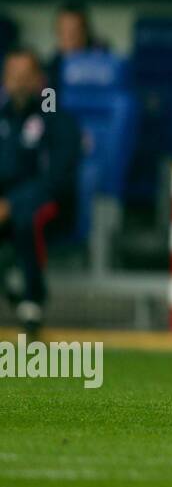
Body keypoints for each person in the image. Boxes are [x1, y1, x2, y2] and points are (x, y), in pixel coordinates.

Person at [0, 49, 81, 336]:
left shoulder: (56, 118)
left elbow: (57, 177)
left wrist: (11, 203)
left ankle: (32, 298)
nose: (19, 82)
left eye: (26, 76)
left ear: (39, 79)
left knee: (26, 217)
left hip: (51, 205)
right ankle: (9, 279)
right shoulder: (3, 117)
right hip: (5, 204)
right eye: (13, 76)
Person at [46, 2, 108, 94]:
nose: (70, 37)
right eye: (64, 31)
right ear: (57, 31)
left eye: (75, 30)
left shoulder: (103, 64)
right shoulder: (50, 70)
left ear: (86, 32)